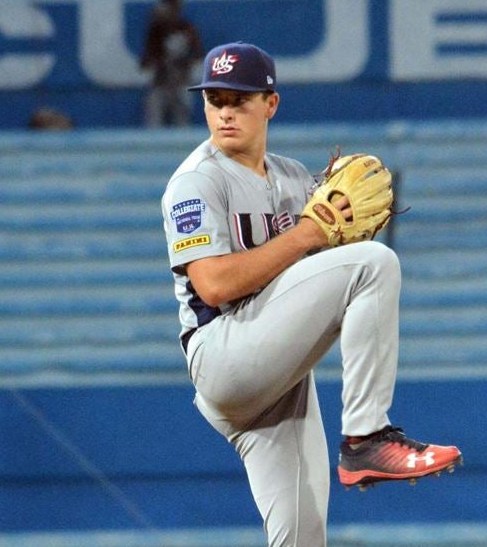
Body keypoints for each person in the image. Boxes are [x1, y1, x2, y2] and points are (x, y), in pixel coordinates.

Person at [161, 42, 462, 547]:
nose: (225, 112)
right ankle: (366, 437)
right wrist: (306, 236)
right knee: (376, 264)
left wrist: (337, 237)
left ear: (270, 104)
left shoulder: (295, 179)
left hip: (277, 376)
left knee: (302, 538)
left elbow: (321, 270)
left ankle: (364, 441)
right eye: (215, 99)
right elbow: (212, 285)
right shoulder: (196, 182)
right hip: (224, 353)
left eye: (239, 99)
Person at [140, 0, 202, 128]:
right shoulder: (156, 31)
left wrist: (184, 63)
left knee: (182, 119)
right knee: (154, 113)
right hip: (161, 84)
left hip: (181, 83)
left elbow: (198, 55)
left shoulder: (187, 29)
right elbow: (146, 61)